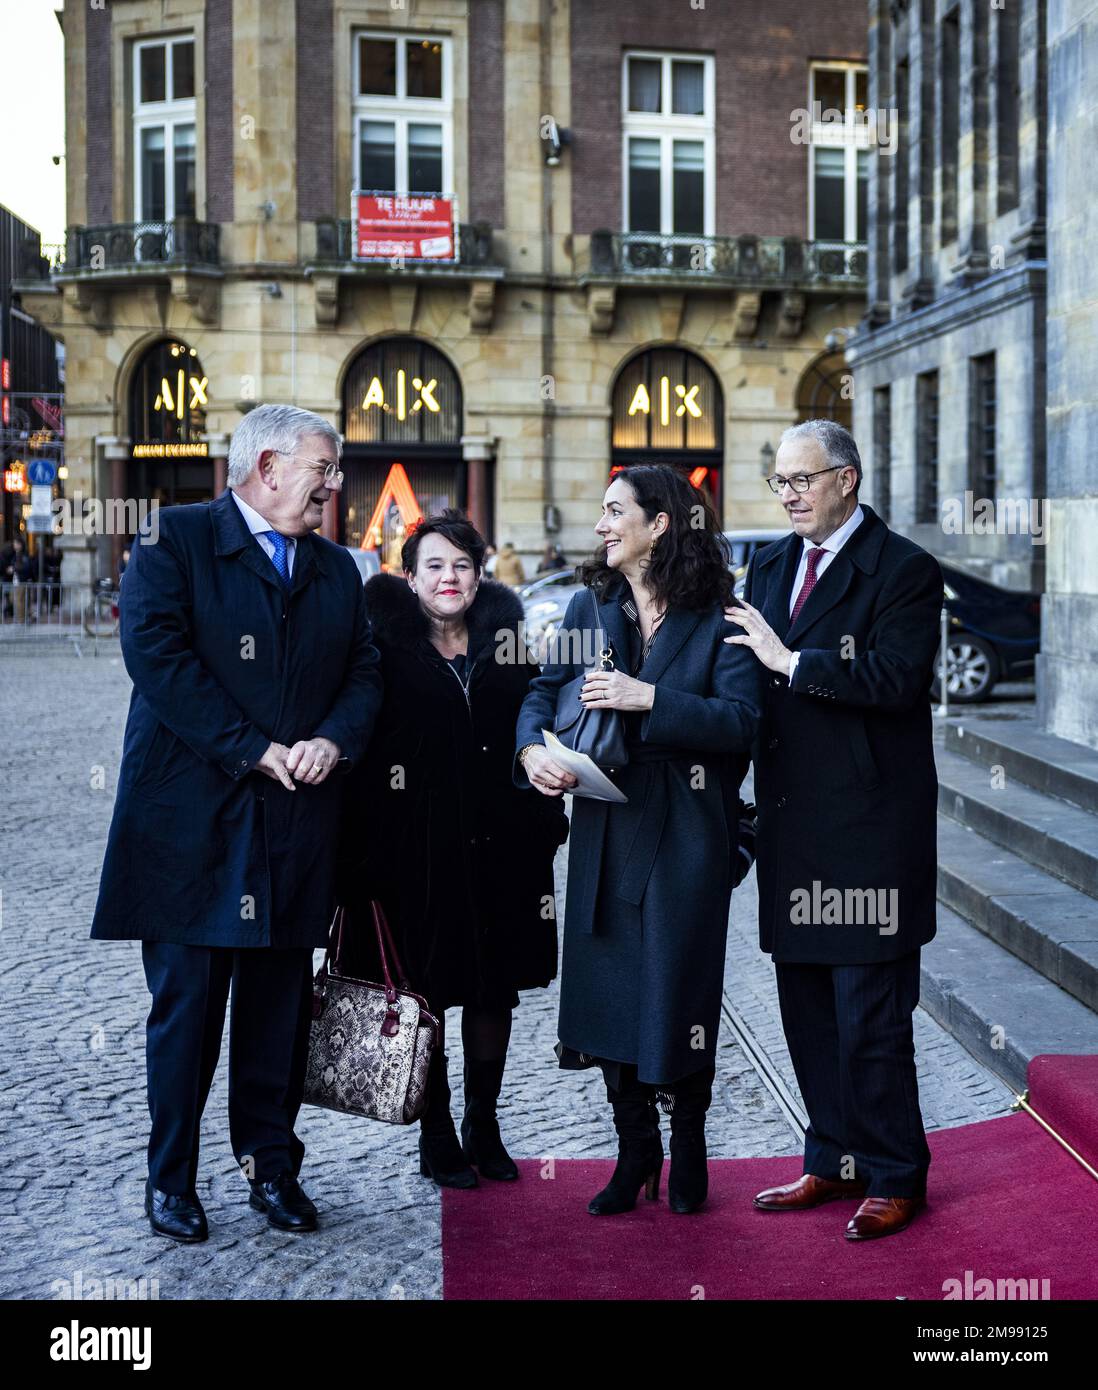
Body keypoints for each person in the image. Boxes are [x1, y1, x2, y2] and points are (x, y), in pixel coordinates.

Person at [90, 403, 382, 1243]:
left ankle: (272, 1169)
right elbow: (157, 659)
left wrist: (334, 739)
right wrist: (252, 748)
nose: (333, 485)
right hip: (191, 827)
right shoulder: (173, 539)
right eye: (323, 469)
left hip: (296, 827)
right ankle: (171, 1181)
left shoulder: (336, 568)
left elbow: (364, 670)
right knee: (186, 1016)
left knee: (277, 1017)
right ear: (267, 467)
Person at [516, 465, 762, 1216]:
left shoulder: (722, 615)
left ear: (660, 524)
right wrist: (532, 753)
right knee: (606, 989)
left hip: (687, 827)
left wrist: (651, 699)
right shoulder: (589, 607)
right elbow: (537, 693)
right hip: (602, 818)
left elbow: (745, 724)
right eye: (601, 511)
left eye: (615, 511)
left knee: (678, 985)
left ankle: (688, 1146)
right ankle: (635, 1153)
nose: (601, 525)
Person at [725, 418, 942, 1241]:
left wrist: (794, 664)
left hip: (869, 831)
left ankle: (894, 1175)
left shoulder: (906, 570)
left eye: (802, 481)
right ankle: (832, 1157)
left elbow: (895, 679)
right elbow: (747, 681)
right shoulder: (772, 560)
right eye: (779, 482)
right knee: (808, 1009)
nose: (788, 496)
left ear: (846, 479)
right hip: (792, 825)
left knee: (871, 1018)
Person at [339, 511, 567, 1187]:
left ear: (479, 574)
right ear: (409, 577)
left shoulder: (510, 646)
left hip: (504, 847)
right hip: (413, 853)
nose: (449, 578)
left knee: (494, 988)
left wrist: (546, 813)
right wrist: (359, 853)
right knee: (427, 992)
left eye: (462, 566)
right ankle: (435, 1131)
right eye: (434, 566)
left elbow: (539, 727)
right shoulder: (380, 651)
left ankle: (484, 1123)